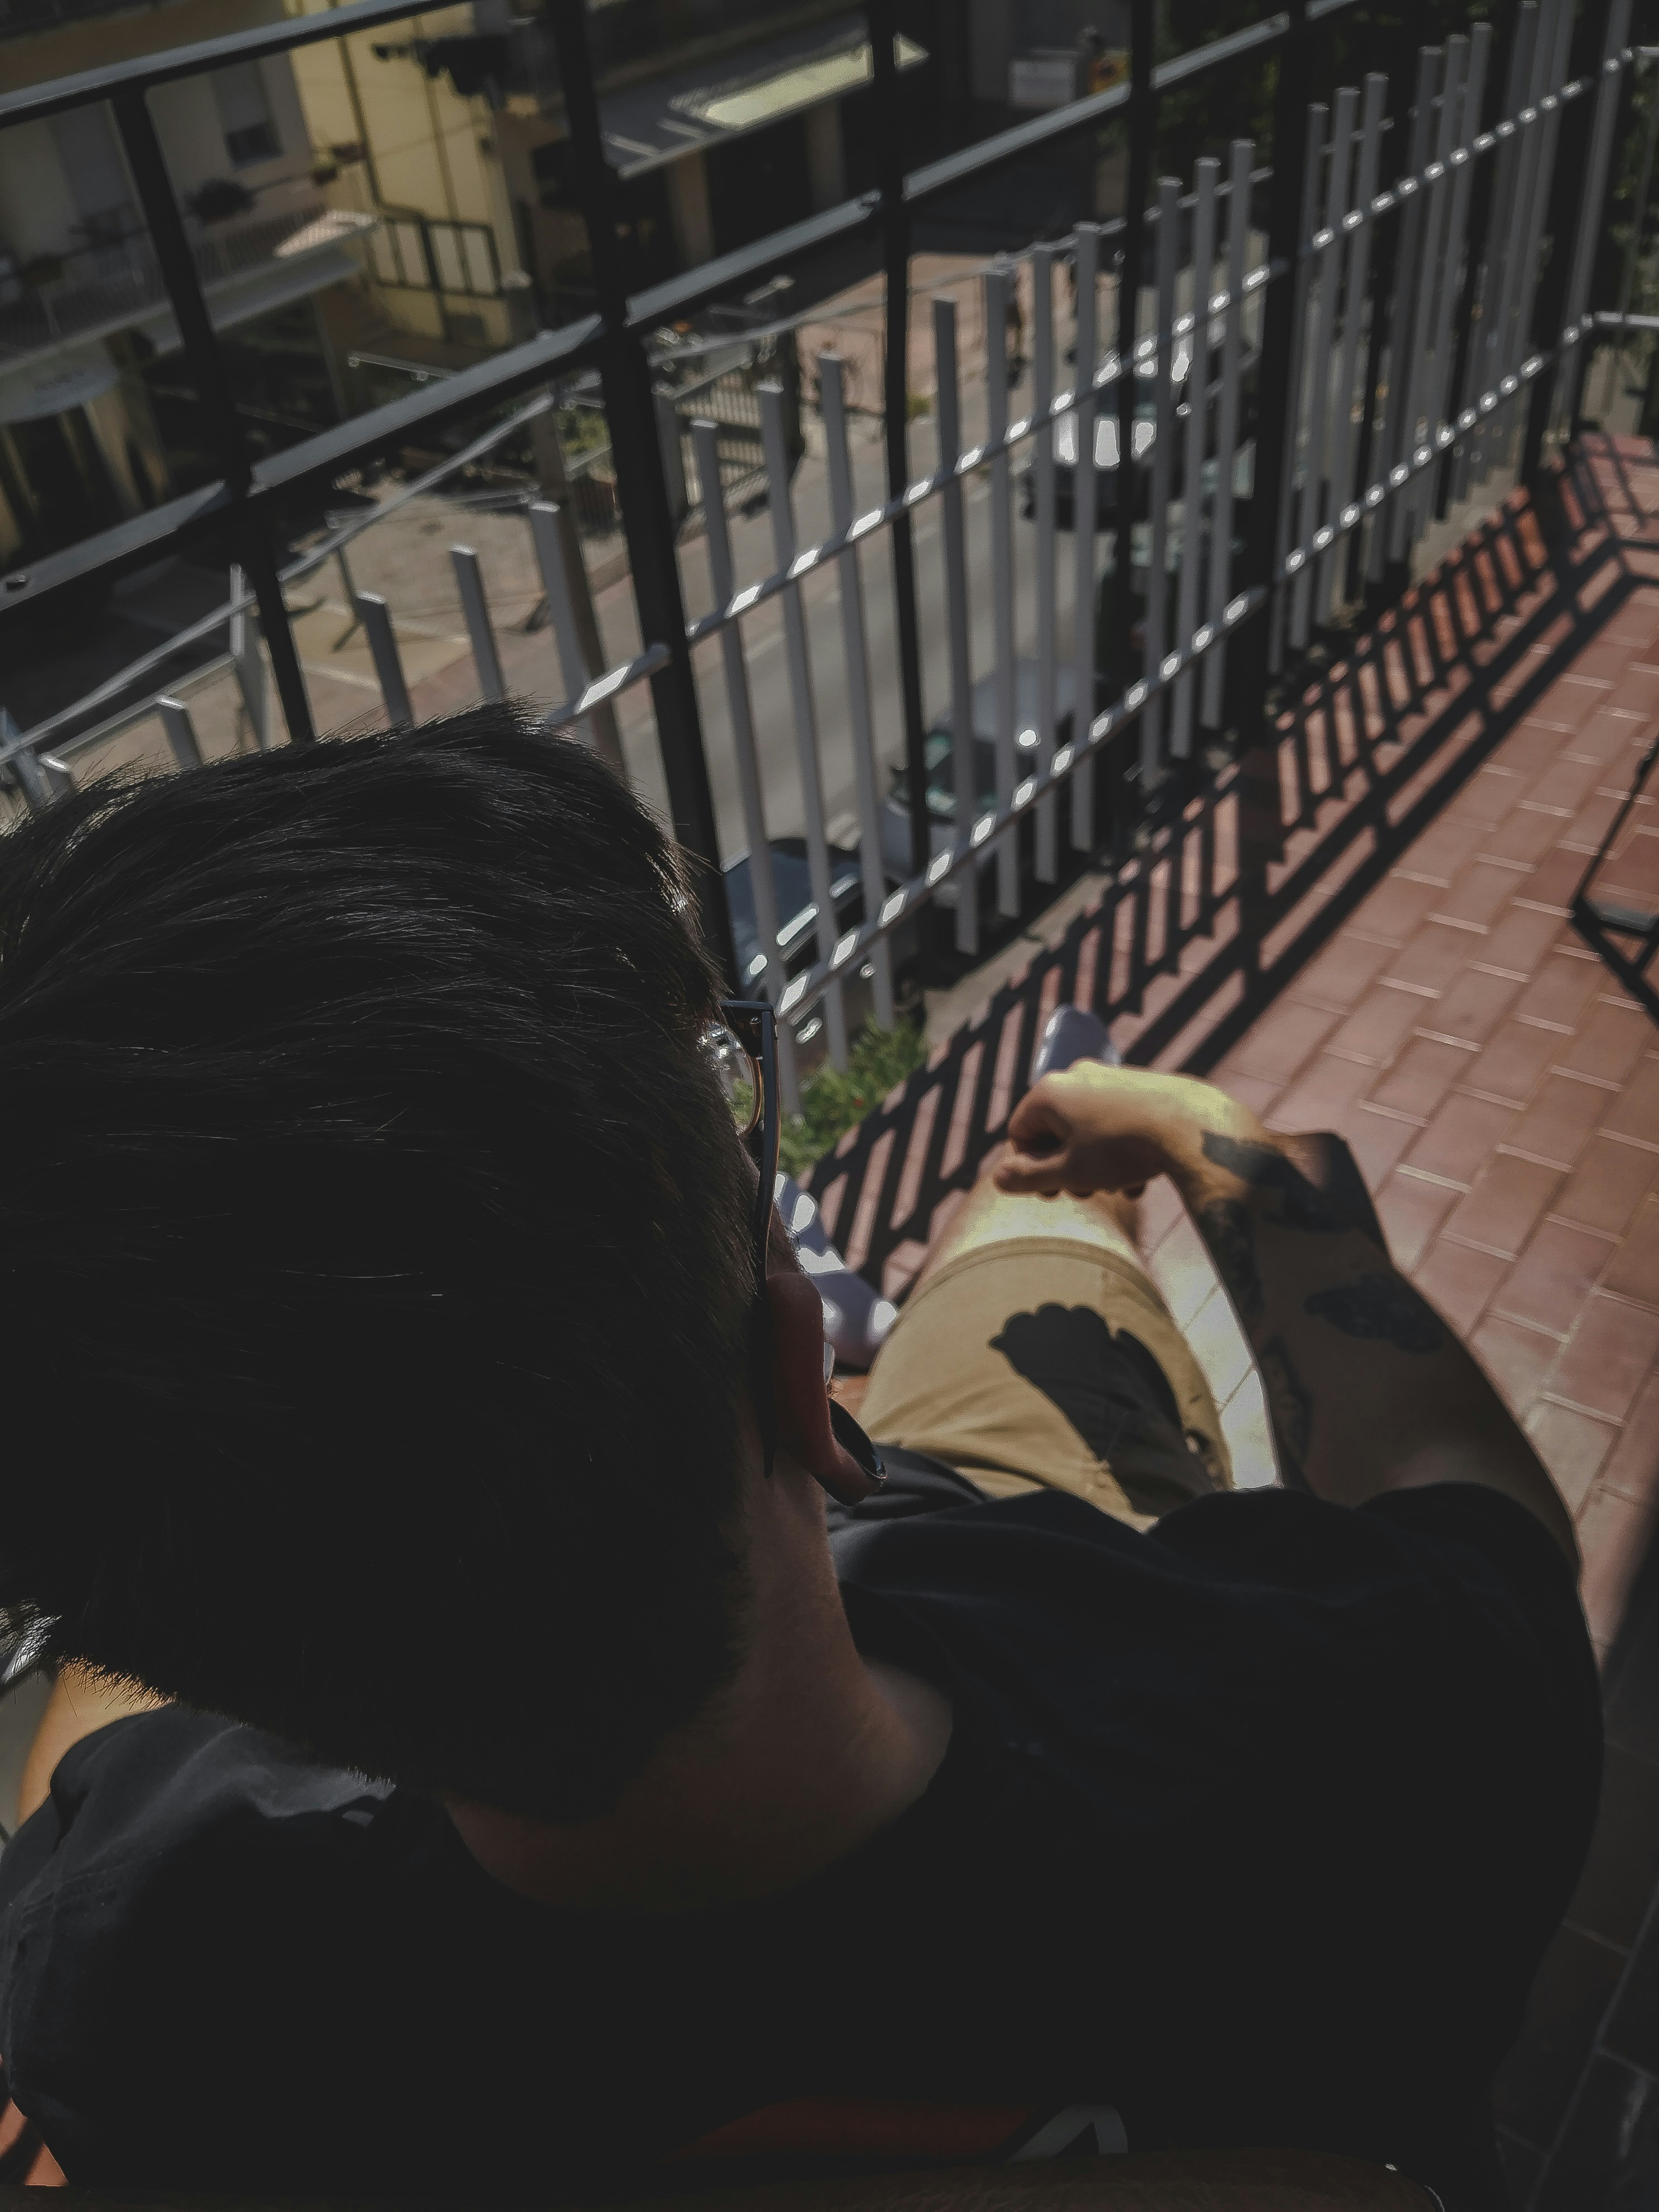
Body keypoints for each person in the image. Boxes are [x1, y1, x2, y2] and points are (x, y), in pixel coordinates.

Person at [0, 711, 1597, 2210]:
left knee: (998, 1262)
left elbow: (111, 1673)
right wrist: (1204, 1134)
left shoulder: (141, 1967)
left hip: (773, 1499)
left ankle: (885, 1281)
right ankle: (1041, 1183)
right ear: (785, 1368)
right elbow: (1468, 1488)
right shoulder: (1367, 1731)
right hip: (995, 1536)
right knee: (1046, 1209)